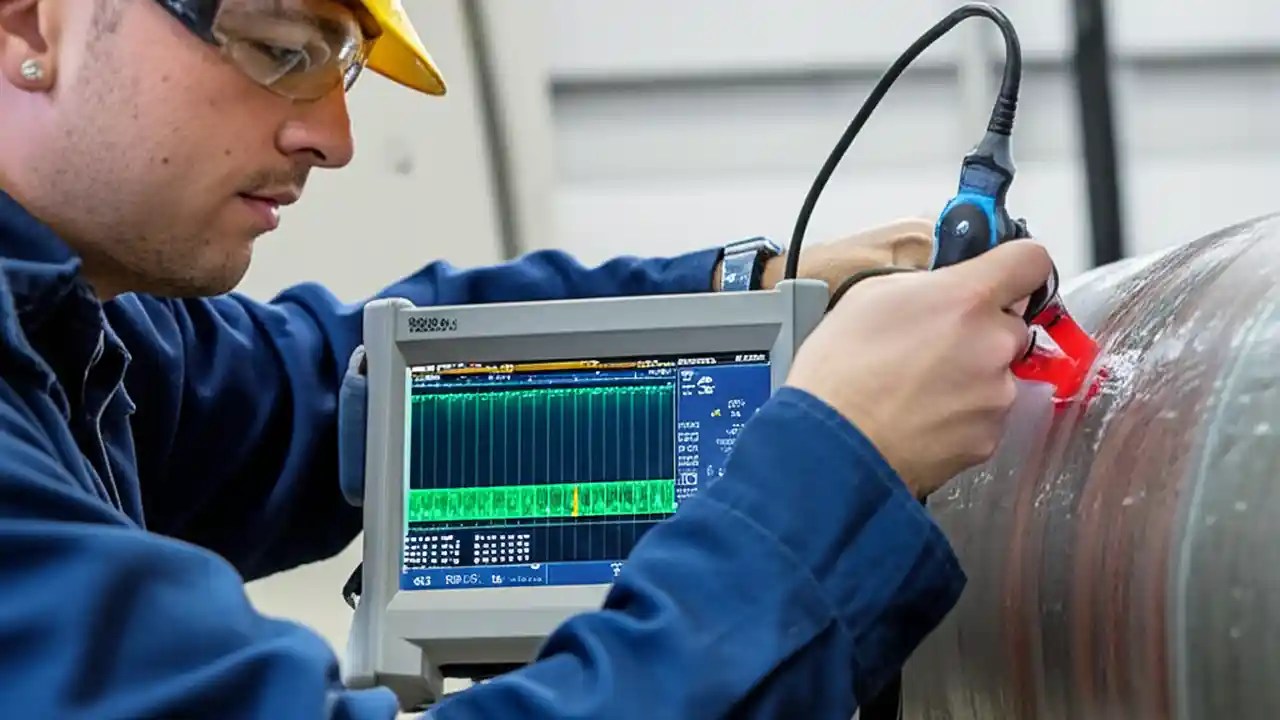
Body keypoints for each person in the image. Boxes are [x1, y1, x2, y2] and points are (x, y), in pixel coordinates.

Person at [0, 0, 1054, 718]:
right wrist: (837, 464)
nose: (333, 135)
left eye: (343, 67)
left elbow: (341, 384)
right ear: (32, 25)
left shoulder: (66, 331)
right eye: (282, 46)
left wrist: (757, 286)